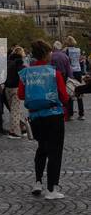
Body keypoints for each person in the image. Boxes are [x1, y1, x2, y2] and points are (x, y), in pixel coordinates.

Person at [19, 39, 69, 200]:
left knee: (42, 148)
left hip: (35, 116)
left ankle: (38, 181)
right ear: (47, 54)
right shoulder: (54, 72)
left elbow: (21, 95)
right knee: (55, 151)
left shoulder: (26, 72)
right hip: (53, 114)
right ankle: (51, 188)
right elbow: (63, 96)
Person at [4, 45, 31, 139]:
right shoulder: (19, 63)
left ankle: (22, 127)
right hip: (16, 88)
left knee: (14, 110)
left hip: (7, 88)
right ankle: (14, 132)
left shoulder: (8, 62)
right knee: (15, 111)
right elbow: (23, 76)